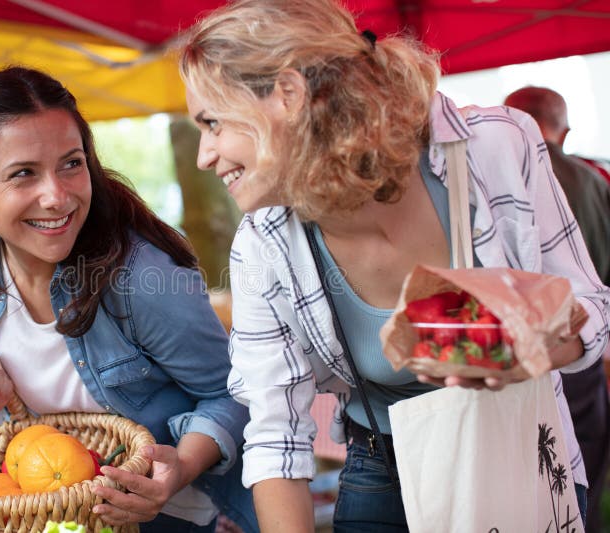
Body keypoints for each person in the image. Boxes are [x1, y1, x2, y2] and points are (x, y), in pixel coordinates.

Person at [178, 0, 610, 531]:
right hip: (382, 469)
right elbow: (275, 436)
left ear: (287, 95)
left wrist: (529, 349)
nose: (204, 154)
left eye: (213, 123)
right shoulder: (263, 243)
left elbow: (590, 305)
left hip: (521, 446)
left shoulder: (495, 146)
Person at [0, 66, 256, 533]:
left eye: (71, 163)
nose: (56, 196)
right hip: (44, 508)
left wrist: (180, 466)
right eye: (23, 174)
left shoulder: (141, 277)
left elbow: (234, 393)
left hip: (155, 514)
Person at [504, 86, 610, 533]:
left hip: (515, 363)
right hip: (582, 348)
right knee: (581, 472)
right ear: (561, 130)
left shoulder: (492, 175)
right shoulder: (593, 180)